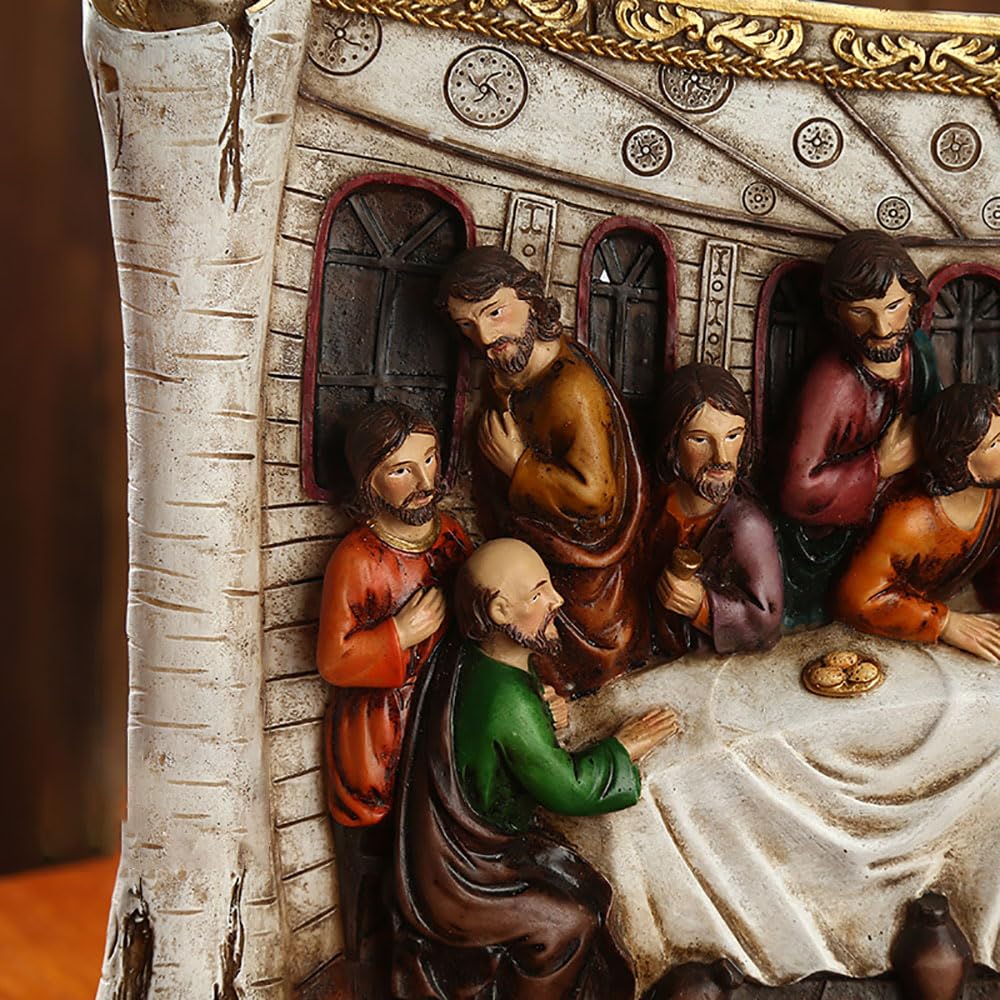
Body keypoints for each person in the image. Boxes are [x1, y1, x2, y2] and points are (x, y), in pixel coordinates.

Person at [391, 538, 678, 1000]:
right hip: (465, 873)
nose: (557, 600)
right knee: (568, 926)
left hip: (469, 848)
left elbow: (498, 732)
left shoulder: (478, 658)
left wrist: (542, 708)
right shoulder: (508, 702)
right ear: (501, 611)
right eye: (539, 593)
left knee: (580, 883)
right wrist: (623, 748)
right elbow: (569, 789)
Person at [440, 246, 647, 695]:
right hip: (536, 550)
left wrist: (518, 466)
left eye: (495, 312)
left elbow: (597, 496)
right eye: (467, 325)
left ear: (531, 300)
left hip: (584, 566)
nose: (485, 337)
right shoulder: (506, 371)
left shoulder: (571, 388)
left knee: (588, 662)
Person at [314, 400, 471, 991]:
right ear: (370, 482)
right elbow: (334, 660)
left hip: (441, 725)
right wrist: (399, 633)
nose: (425, 481)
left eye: (429, 460)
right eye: (402, 470)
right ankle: (375, 970)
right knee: (379, 862)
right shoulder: (359, 559)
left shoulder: (450, 536)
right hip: (380, 735)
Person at [778, 230, 942, 625]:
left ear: (914, 299)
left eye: (893, 306)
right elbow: (797, 491)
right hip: (830, 544)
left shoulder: (919, 353)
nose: (882, 328)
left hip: (902, 525)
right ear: (837, 312)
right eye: (860, 312)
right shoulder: (833, 383)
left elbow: (939, 417)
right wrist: (878, 466)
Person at [834, 383, 1000, 659]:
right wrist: (944, 622)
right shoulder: (910, 519)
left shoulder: (993, 495)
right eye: (995, 444)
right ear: (960, 462)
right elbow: (857, 598)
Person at [649, 364, 783, 658]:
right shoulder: (652, 504)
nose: (721, 458)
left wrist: (702, 605)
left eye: (732, 436)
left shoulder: (748, 526)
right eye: (700, 439)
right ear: (672, 441)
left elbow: (768, 622)